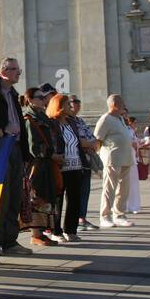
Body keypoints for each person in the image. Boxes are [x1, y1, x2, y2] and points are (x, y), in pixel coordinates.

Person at [0, 58, 32, 257]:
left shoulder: (12, 93)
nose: (19, 73)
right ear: (3, 71)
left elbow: (19, 121)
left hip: (16, 147)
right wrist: (1, 128)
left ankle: (11, 240)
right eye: (15, 69)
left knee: (14, 196)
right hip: (0, 147)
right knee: (0, 196)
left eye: (19, 69)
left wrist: (26, 154)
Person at [23, 84, 64, 246]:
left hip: (48, 164)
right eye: (39, 98)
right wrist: (50, 154)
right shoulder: (29, 118)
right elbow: (33, 146)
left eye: (44, 97)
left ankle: (43, 231)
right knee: (37, 197)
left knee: (47, 197)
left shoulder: (43, 116)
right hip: (37, 165)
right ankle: (36, 233)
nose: (43, 100)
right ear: (30, 100)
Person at [47, 94, 86, 242]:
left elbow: (77, 142)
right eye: (67, 104)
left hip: (75, 165)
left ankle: (71, 230)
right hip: (60, 166)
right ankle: (56, 231)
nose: (70, 107)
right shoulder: (52, 123)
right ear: (59, 106)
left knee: (75, 199)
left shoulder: (71, 122)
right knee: (58, 201)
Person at [94, 94, 135, 228]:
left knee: (123, 189)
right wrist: (102, 156)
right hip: (112, 159)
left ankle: (119, 215)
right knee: (109, 188)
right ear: (114, 105)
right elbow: (97, 140)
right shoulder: (105, 119)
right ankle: (105, 216)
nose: (124, 106)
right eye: (122, 103)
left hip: (126, 158)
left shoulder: (120, 119)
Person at [67, 95, 98, 231]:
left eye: (78, 101)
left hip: (86, 160)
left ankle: (82, 218)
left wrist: (89, 144)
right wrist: (87, 143)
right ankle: (73, 222)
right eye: (73, 102)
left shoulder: (80, 121)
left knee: (85, 190)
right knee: (74, 193)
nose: (77, 104)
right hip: (73, 162)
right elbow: (78, 141)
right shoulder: (66, 122)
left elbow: (94, 141)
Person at [124, 114, 142, 214]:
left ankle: (133, 205)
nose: (136, 124)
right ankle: (126, 206)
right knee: (126, 183)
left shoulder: (131, 131)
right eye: (134, 123)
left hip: (132, 159)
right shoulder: (125, 130)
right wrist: (134, 143)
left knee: (133, 183)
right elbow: (130, 142)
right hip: (126, 158)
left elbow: (136, 143)